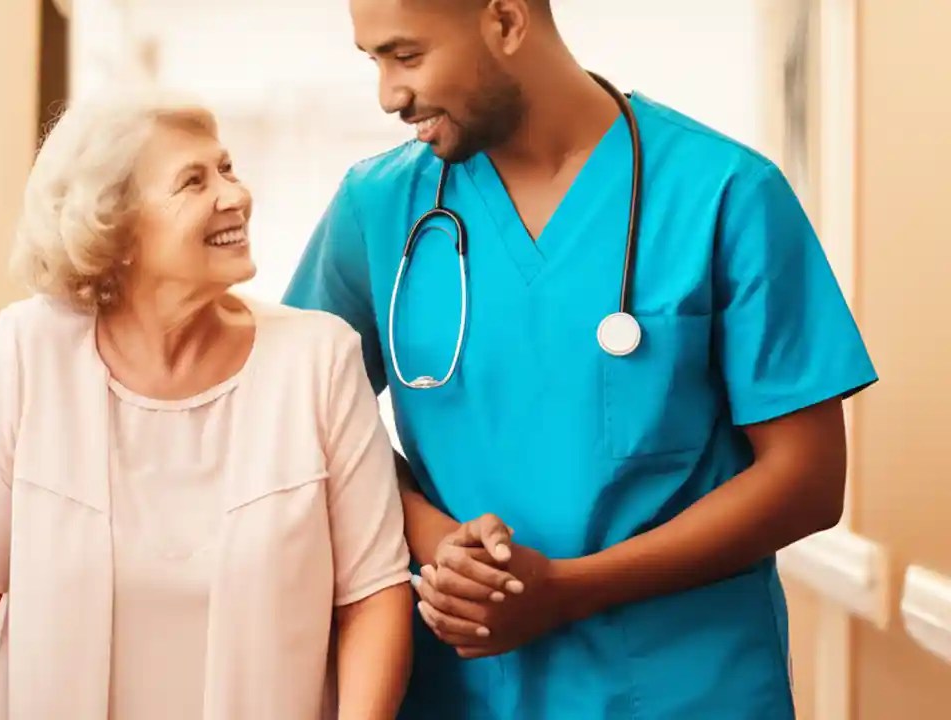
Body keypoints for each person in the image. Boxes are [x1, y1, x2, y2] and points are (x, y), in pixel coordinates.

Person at [283, 0, 877, 718]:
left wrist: (568, 590)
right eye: (373, 60)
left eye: (406, 56)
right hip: (466, 687)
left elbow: (807, 479)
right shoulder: (377, 208)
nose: (388, 95)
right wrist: (440, 543)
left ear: (505, 20)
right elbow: (303, 418)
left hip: (683, 686)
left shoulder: (725, 193)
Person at [0, 90, 413, 719]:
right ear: (115, 229)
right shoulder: (30, 350)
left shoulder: (320, 360)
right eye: (193, 182)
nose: (234, 195)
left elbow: (373, 599)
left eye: (226, 169)